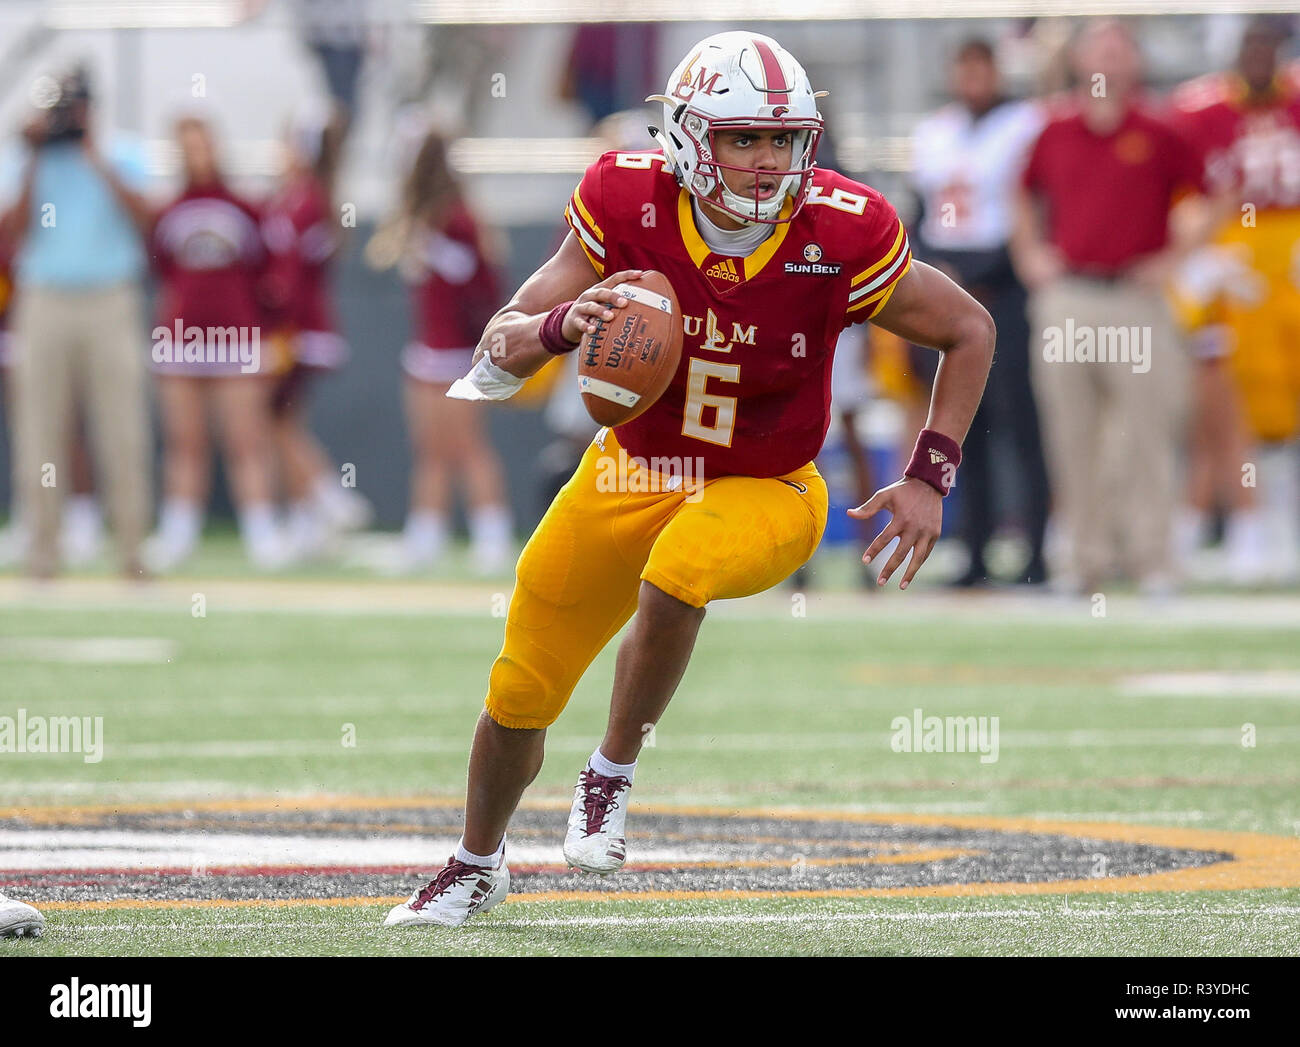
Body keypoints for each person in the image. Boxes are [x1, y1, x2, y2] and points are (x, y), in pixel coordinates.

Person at [384, 31, 994, 929]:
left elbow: (969, 327)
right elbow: (501, 343)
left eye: (782, 141)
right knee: (520, 684)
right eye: (743, 138)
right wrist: (560, 326)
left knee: (681, 569)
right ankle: (475, 864)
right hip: (631, 467)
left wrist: (930, 475)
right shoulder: (625, 197)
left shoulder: (841, 228)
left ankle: (610, 773)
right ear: (687, 137)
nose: (765, 161)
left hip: (771, 482)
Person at [1012, 20, 1211, 596]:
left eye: (1119, 51)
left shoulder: (1160, 130)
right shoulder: (1053, 130)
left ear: (1135, 65)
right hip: (1070, 294)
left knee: (1147, 432)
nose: (1108, 63)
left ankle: (1153, 562)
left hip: (1134, 297)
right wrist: (1030, 253)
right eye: (1099, 51)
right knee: (1071, 432)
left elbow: (1208, 196)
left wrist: (1174, 257)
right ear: (1078, 62)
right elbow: (1024, 192)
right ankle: (1082, 563)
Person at [2, 67, 153, 579]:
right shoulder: (31, 159)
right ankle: (42, 551)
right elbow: (10, 233)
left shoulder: (124, 154)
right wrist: (32, 156)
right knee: (38, 429)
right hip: (45, 298)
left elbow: (149, 221)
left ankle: (133, 551)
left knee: (122, 429)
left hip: (110, 299)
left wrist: (98, 161)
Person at [910, 38, 1050, 586]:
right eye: (963, 66)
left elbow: (1035, 206)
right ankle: (974, 550)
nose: (972, 77)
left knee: (1021, 422)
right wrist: (939, 271)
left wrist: (993, 273)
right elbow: (921, 212)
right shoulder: (934, 131)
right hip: (949, 280)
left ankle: (1035, 549)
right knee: (960, 425)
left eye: (980, 66)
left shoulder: (1026, 122)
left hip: (1006, 285)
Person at [1170, 18, 1300, 584]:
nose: (1259, 55)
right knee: (1217, 403)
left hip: (1288, 267)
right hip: (1229, 270)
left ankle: (1249, 526)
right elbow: (1179, 195)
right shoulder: (1199, 111)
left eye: (1268, 43)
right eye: (1250, 43)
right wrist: (1198, 259)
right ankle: (1228, 526)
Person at [366, 130, 512, 574]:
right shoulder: (422, 220)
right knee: (429, 448)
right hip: (427, 350)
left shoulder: (460, 219)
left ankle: (493, 536)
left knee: (467, 447)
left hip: (458, 354)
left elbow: (486, 290)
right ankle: (425, 536)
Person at [143, 116, 286, 571]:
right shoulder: (166, 212)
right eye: (186, 147)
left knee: (246, 440)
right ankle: (178, 531)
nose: (197, 154)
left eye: (203, 144)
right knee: (184, 442)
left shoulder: (248, 209)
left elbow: (269, 272)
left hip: (237, 337)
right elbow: (163, 270)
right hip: (181, 339)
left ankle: (263, 533)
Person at [262, 107, 372, 561]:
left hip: (298, 331)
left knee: (277, 421)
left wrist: (268, 312)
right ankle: (309, 519)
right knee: (285, 419)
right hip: (304, 327)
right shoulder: (309, 197)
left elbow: (285, 279)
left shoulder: (303, 201)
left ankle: (330, 497)